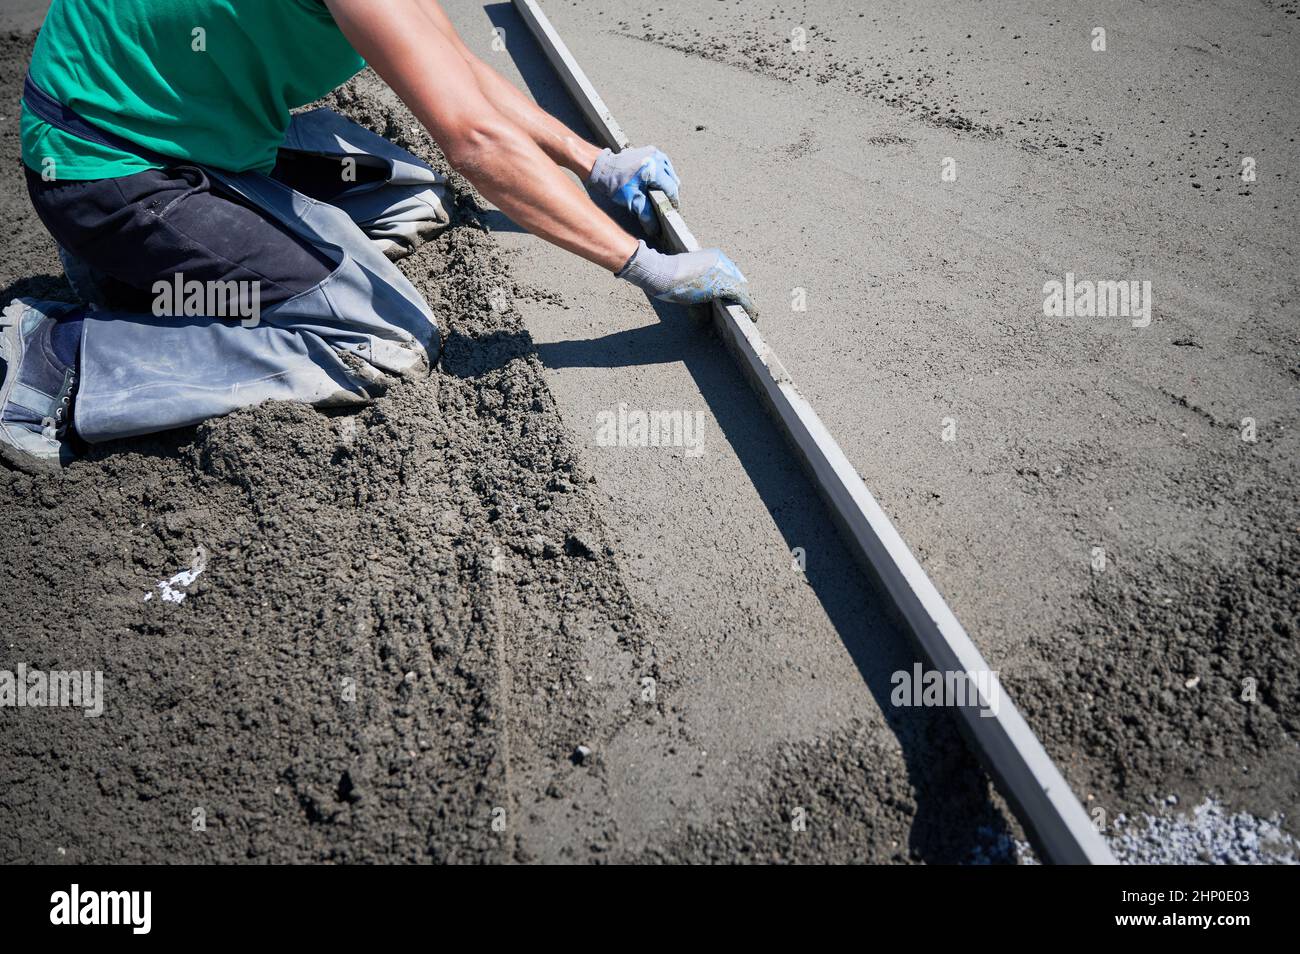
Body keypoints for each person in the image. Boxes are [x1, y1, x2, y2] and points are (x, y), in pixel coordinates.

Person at [0, 0, 754, 472]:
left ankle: (161, 278)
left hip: (185, 123)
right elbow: (477, 144)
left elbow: (456, 66)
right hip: (108, 166)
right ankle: (63, 355)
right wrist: (644, 264)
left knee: (408, 195)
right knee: (379, 338)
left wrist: (594, 162)